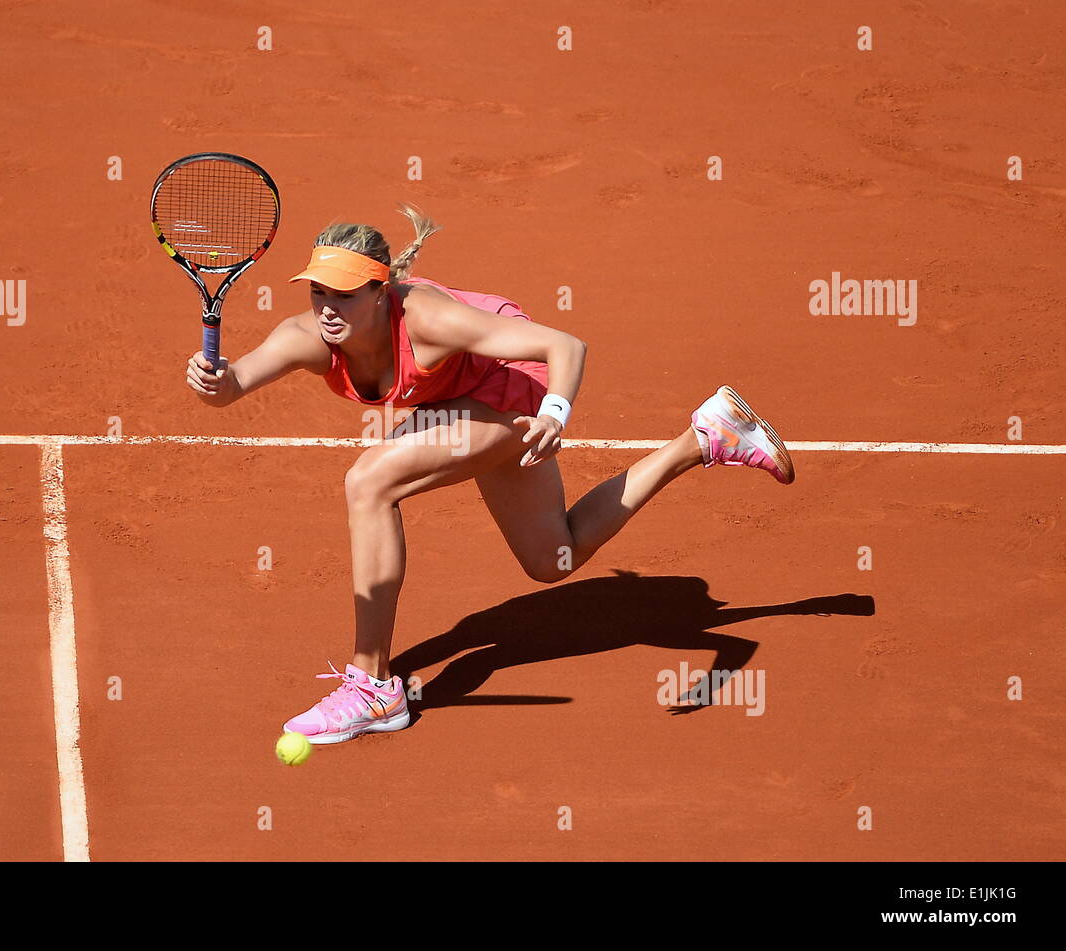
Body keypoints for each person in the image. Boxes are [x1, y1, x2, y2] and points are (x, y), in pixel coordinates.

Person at [185, 204, 794, 745]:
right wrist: (214, 382)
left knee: (369, 482)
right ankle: (704, 438)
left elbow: (565, 346)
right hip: (463, 401)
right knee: (553, 558)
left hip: (516, 384)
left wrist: (555, 412)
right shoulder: (308, 336)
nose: (327, 307)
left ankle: (373, 686)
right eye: (318, 291)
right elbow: (231, 388)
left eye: (344, 295)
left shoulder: (428, 320)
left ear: (381, 292)